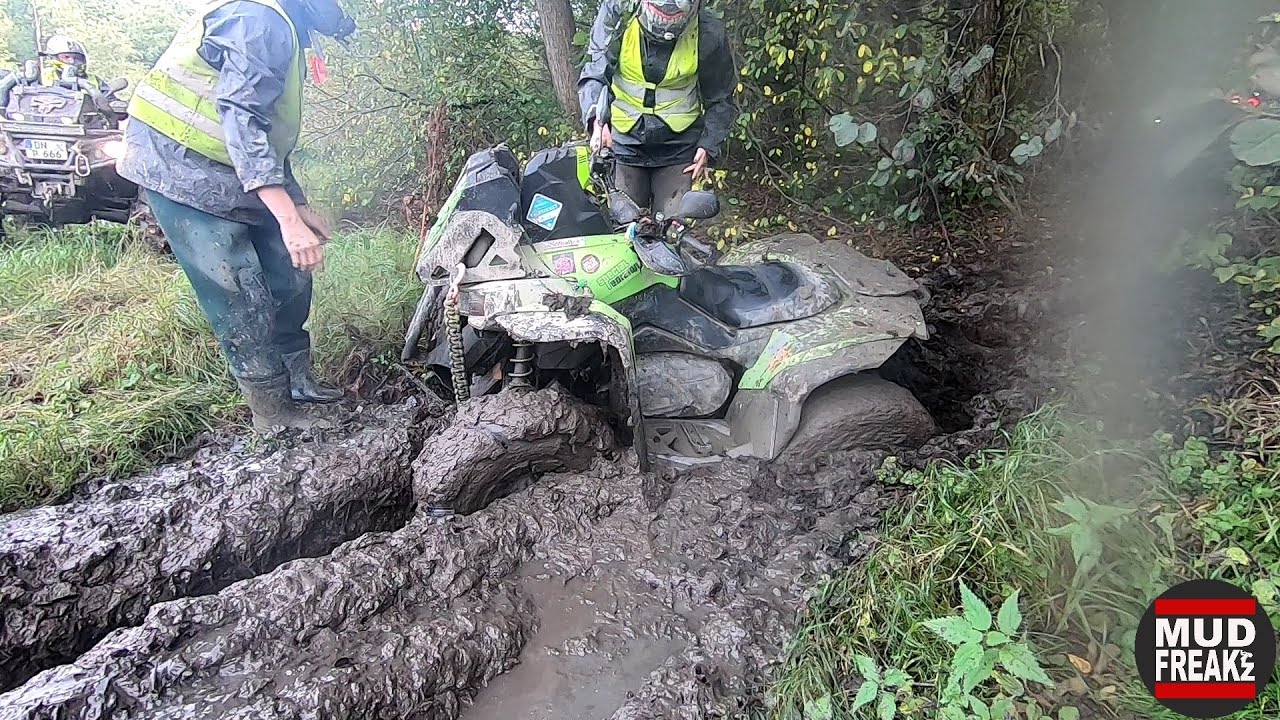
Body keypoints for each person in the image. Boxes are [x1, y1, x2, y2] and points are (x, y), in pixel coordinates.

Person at [118, 0, 356, 432]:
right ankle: (273, 412)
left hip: (233, 168)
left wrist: (297, 206)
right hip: (180, 165)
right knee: (240, 288)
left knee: (289, 270)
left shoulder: (284, 29)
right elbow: (242, 122)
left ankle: (297, 381)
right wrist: (287, 221)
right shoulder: (258, 21)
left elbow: (269, 136)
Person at [578, 0, 738, 218]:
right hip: (624, 145)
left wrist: (708, 146)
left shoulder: (708, 31)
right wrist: (597, 121)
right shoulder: (619, 12)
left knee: (674, 229)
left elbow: (721, 97)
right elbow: (596, 71)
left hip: (679, 150)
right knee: (625, 228)